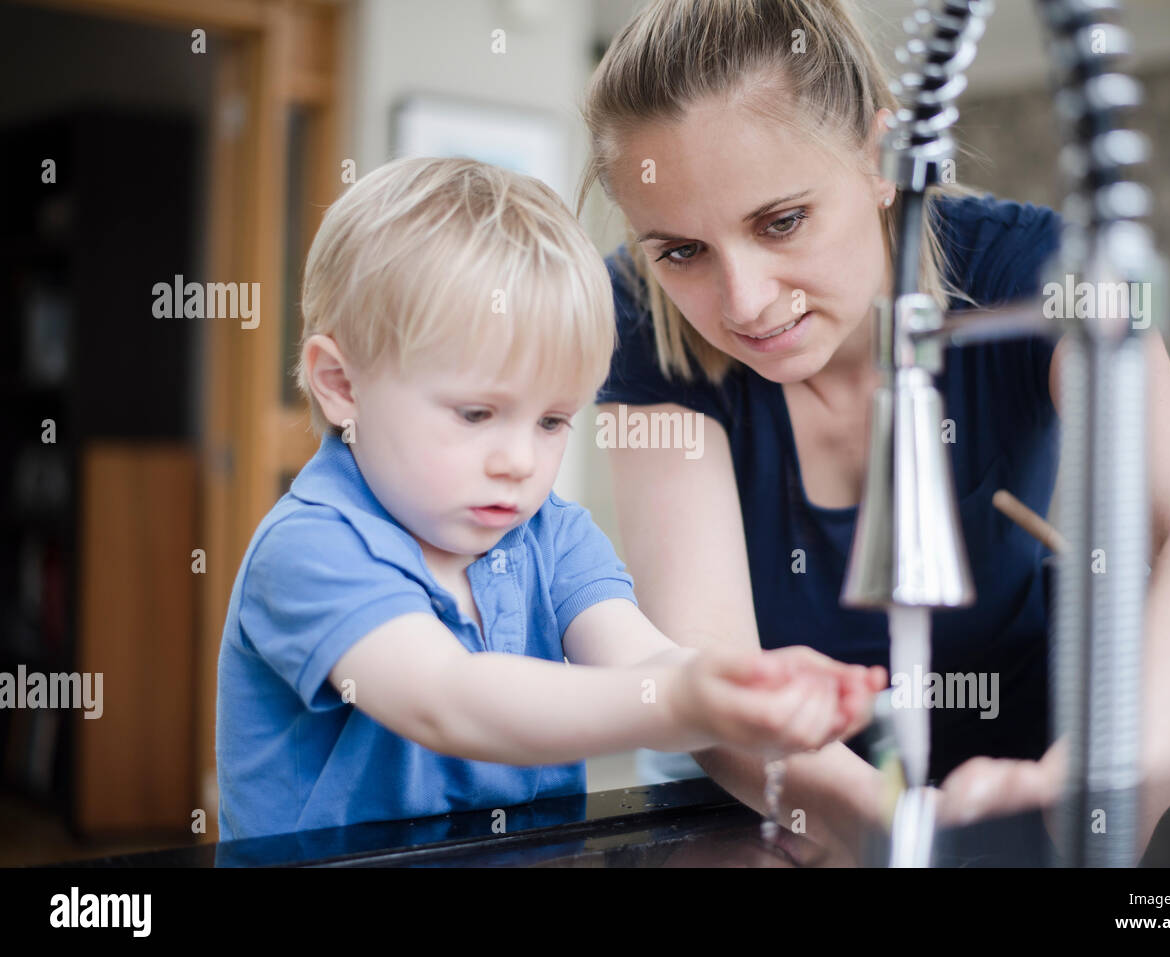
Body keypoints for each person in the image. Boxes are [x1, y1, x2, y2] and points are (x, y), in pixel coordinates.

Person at [579, 0, 1170, 859]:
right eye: (682, 252)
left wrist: (1098, 775)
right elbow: (713, 666)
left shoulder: (1025, 268)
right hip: (772, 809)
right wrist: (878, 823)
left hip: (1024, 756)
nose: (744, 302)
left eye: (782, 222)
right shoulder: (640, 316)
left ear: (886, 160)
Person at [214, 156, 887, 841]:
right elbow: (448, 700)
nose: (520, 462)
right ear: (342, 385)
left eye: (552, 421)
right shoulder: (312, 547)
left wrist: (740, 685)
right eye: (476, 414)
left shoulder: (552, 534)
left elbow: (645, 660)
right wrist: (688, 702)